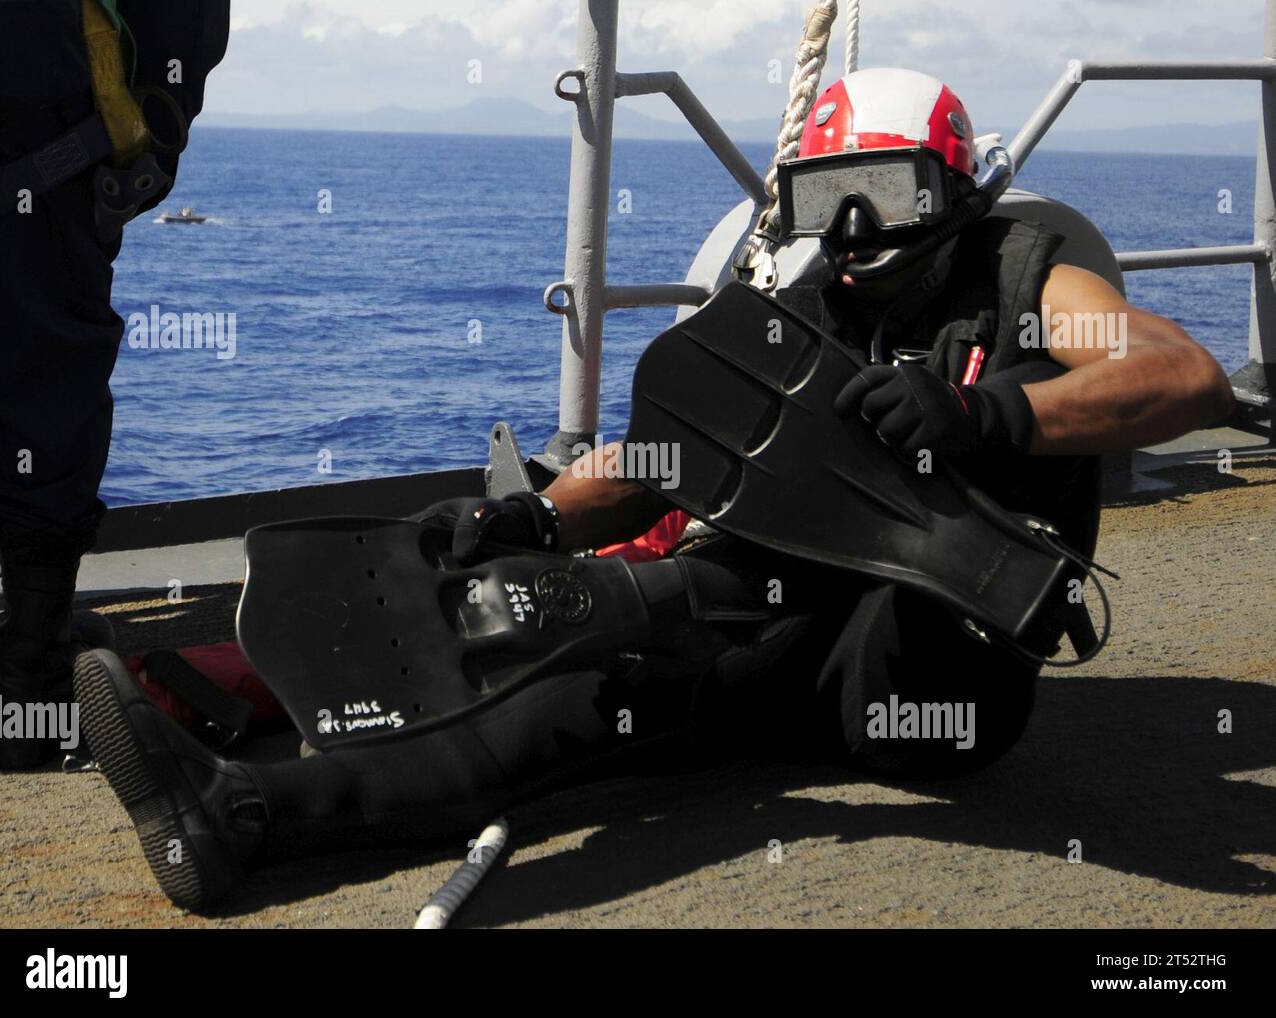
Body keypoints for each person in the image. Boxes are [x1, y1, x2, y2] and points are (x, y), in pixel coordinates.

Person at [73, 68, 1235, 910]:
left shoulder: (1023, 272)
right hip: (792, 649)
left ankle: (613, 604)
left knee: (696, 597)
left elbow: (1181, 372)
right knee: (570, 716)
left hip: (940, 668)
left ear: (954, 187)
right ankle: (239, 817)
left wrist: (990, 411)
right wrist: (528, 515)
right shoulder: (803, 312)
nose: (856, 225)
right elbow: (669, 460)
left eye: (883, 188)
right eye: (830, 195)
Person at [0, 1, 230, 769]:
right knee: (50, 389)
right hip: (34, 121)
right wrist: (147, 139)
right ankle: (29, 683)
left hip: (32, 116)